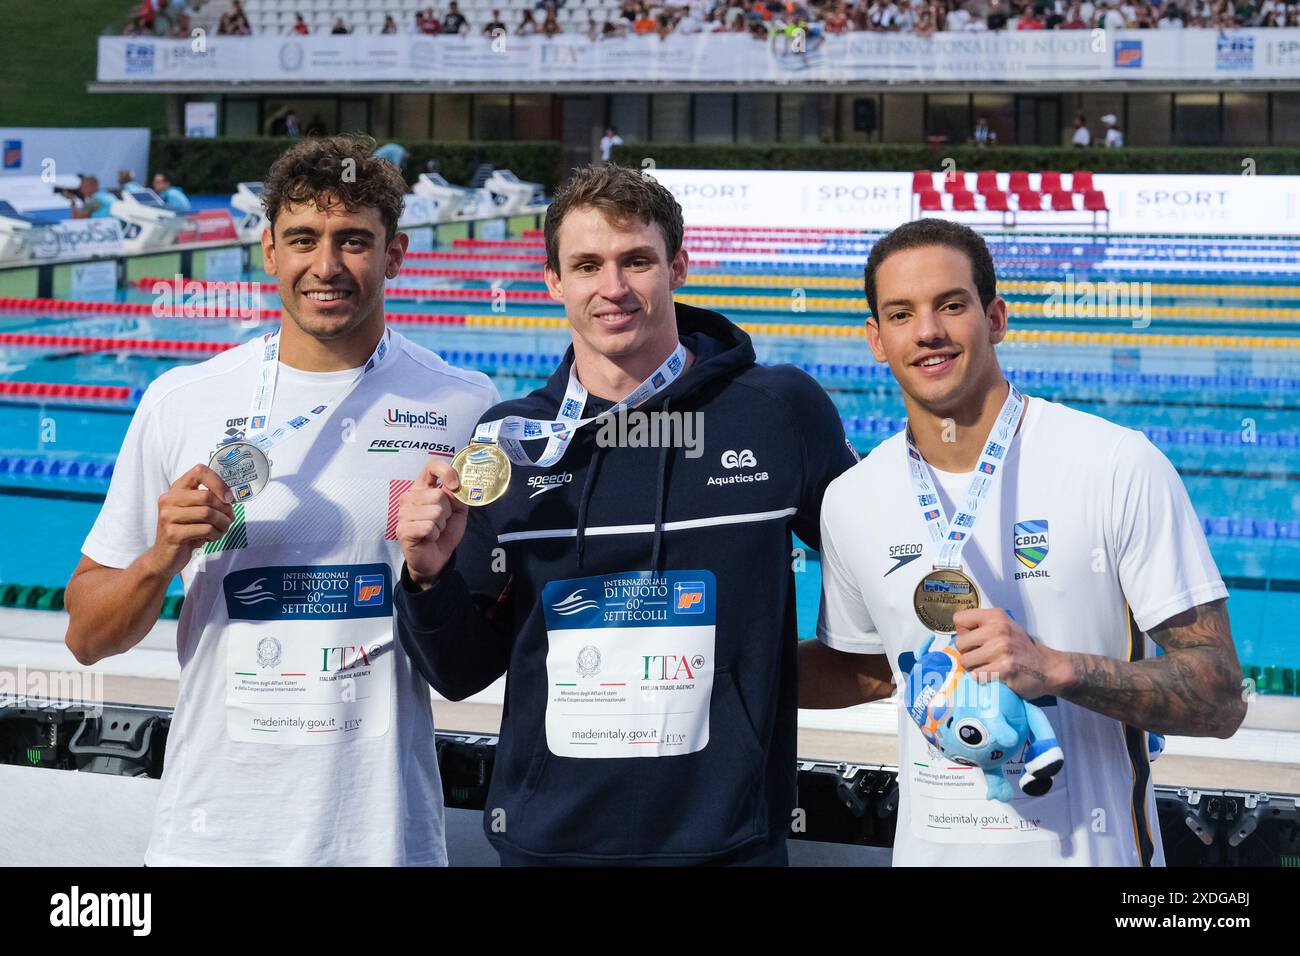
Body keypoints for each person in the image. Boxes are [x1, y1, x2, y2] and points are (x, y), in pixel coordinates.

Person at [392, 163, 856, 866]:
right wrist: (428, 576)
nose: (612, 288)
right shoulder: (510, 442)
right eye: (587, 265)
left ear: (678, 267)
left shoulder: (776, 411)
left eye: (636, 260)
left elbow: (875, 577)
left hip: (728, 845)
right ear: (553, 282)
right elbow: (461, 674)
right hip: (548, 842)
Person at [63, 135, 499, 866]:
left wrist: (430, 575)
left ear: (394, 255)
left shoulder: (460, 405)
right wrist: (161, 558)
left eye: (353, 241)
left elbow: (474, 647)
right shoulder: (182, 403)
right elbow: (85, 638)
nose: (326, 267)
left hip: (383, 839)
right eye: (303, 239)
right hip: (215, 837)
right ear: (269, 252)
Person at [800, 218, 1247, 866]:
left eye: (951, 305)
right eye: (901, 313)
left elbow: (1221, 696)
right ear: (876, 338)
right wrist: (712, 664)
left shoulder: (1114, 465)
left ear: (996, 317)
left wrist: (1057, 669)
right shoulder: (852, 500)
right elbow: (870, 669)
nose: (927, 330)